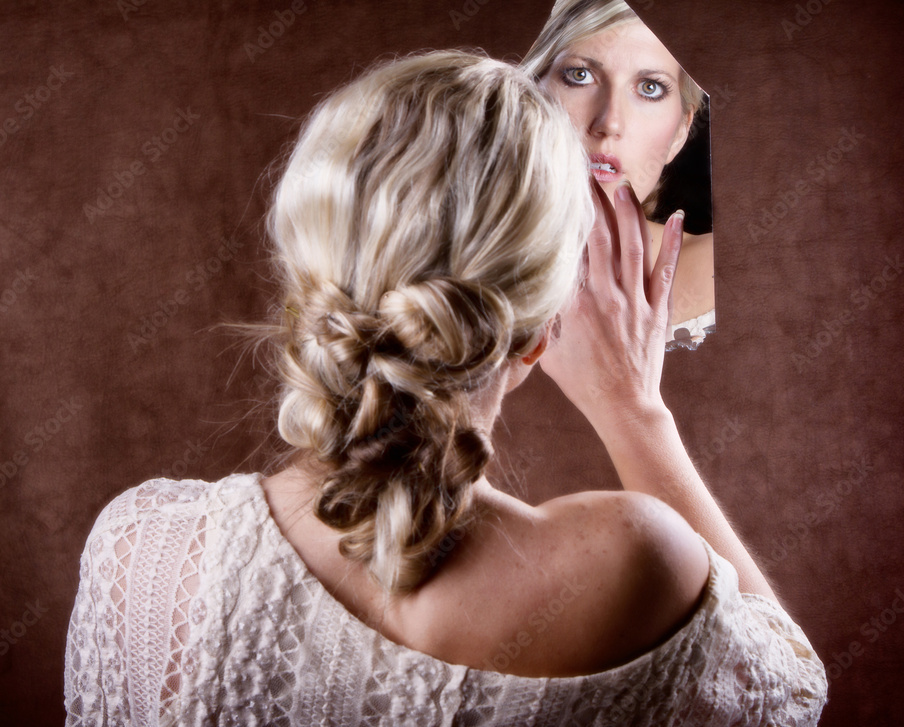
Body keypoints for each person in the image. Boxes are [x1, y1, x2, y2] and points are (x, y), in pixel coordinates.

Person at [63, 50, 827, 725]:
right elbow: (790, 693)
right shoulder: (633, 564)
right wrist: (633, 409)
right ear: (536, 334)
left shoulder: (141, 553)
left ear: (306, 271)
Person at [523, 0, 716, 349]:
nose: (609, 122)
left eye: (649, 88)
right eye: (579, 76)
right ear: (525, 97)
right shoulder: (436, 266)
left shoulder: (724, 272)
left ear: (679, 133)